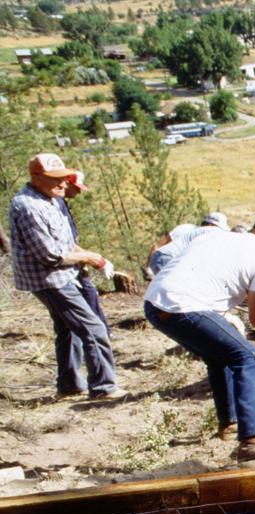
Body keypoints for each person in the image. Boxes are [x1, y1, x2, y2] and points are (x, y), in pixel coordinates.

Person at [144, 211, 255, 461]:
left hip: (155, 303)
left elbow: (204, 275)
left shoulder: (218, 237)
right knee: (249, 356)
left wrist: (221, 314)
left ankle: (229, 422)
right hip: (183, 306)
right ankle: (252, 441)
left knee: (218, 355)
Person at [8, 153, 124, 400]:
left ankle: (69, 385)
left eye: (63, 178)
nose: (63, 184)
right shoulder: (27, 206)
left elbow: (68, 243)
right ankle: (103, 387)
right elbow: (50, 255)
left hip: (65, 274)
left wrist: (91, 256)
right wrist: (91, 259)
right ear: (36, 177)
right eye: (55, 179)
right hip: (49, 279)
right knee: (94, 329)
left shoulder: (53, 199)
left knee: (68, 329)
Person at [59, 170, 111, 334]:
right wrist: (90, 259)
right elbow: (65, 245)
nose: (79, 191)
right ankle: (99, 334)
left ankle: (101, 333)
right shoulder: (55, 204)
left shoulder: (61, 203)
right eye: (76, 187)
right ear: (66, 183)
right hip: (68, 264)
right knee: (87, 294)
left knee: (89, 293)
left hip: (76, 259)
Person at [146, 211, 229, 277]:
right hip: (168, 259)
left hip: (162, 259)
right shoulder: (197, 233)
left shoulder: (186, 228)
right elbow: (158, 246)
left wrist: (149, 268)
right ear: (211, 225)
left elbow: (157, 246)